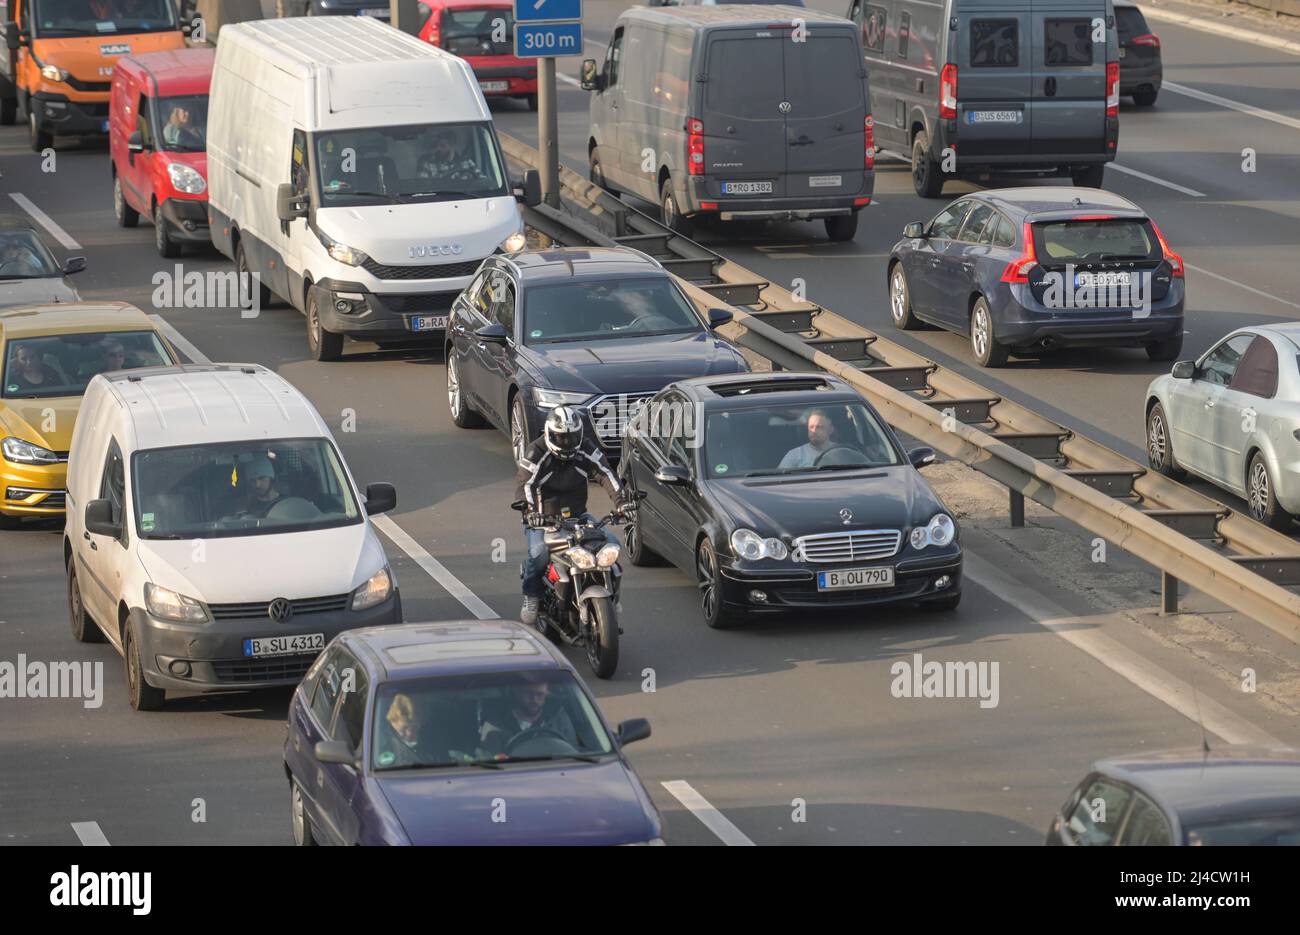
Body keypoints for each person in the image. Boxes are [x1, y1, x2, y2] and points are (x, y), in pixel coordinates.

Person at [514, 405, 628, 627]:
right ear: (549, 433)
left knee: (612, 545)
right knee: (538, 554)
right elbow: (524, 483)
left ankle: (611, 597)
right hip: (543, 520)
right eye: (561, 437)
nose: (566, 442)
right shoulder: (536, 452)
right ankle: (532, 595)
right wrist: (530, 512)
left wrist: (622, 503)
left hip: (579, 516)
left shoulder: (585, 448)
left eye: (571, 437)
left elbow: (605, 473)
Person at [478, 676, 579, 756]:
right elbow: (487, 759)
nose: (534, 699)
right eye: (528, 693)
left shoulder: (558, 720)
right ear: (517, 693)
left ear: (546, 694)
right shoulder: (496, 724)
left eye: (540, 694)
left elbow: (573, 753)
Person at [372, 693, 426, 769]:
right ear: (392, 723)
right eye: (404, 728)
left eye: (415, 727)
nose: (409, 733)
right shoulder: (376, 745)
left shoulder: (431, 741)